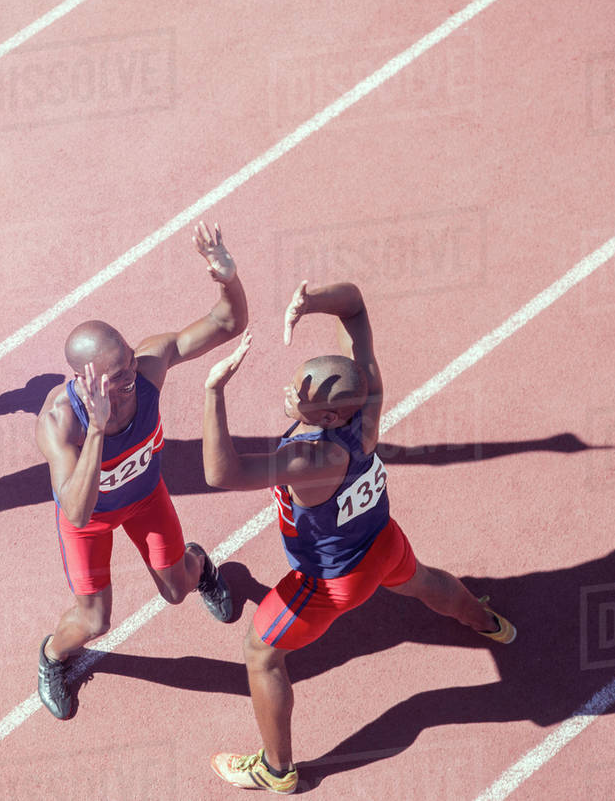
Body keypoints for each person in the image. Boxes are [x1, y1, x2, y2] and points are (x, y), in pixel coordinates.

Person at [201, 280, 516, 793]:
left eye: (300, 390)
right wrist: (312, 302)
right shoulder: (366, 409)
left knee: (261, 651)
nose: (289, 389)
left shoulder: (310, 460)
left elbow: (221, 473)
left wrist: (213, 393)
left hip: (331, 581)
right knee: (426, 581)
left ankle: (276, 770)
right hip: (382, 543)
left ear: (326, 416)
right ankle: (489, 623)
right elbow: (357, 307)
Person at [34, 221, 248, 720]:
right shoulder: (59, 422)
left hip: (147, 497)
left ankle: (199, 563)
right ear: (83, 380)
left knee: (176, 590)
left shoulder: (149, 366)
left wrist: (227, 279)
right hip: (91, 516)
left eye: (129, 364)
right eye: (115, 379)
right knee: (94, 621)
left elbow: (227, 322)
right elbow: (77, 509)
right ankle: (50, 658)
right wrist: (98, 431)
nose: (130, 380)